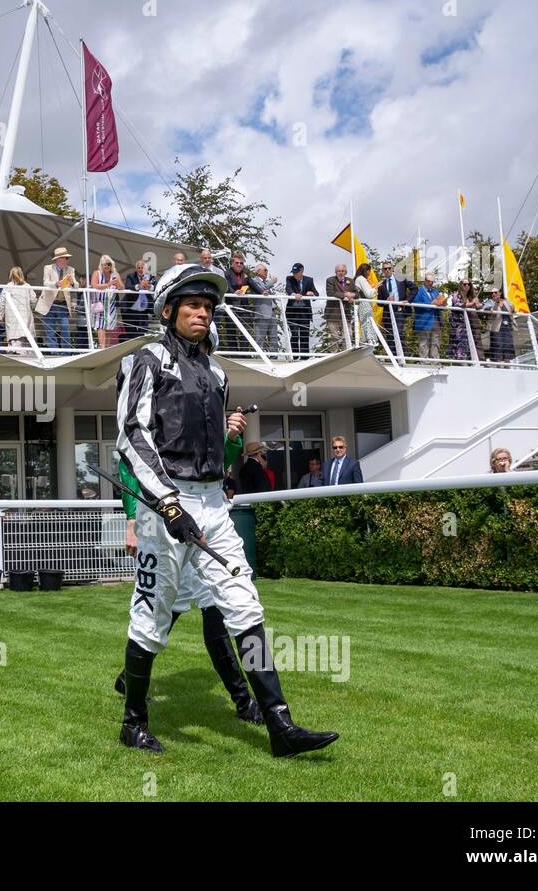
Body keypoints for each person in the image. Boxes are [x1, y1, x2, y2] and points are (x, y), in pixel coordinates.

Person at [115, 261, 336, 756]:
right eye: (193, 305)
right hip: (164, 504)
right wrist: (166, 502)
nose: (202, 313)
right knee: (152, 616)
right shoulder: (144, 360)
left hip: (214, 504)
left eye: (209, 307)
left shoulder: (216, 372)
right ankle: (133, 720)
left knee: (245, 606)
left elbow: (217, 450)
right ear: (169, 309)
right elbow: (132, 436)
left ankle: (280, 725)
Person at [113, 456, 262, 724]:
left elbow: (216, 463)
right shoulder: (157, 418)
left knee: (210, 606)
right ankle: (243, 701)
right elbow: (131, 462)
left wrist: (231, 439)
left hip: (203, 527)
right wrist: (133, 520)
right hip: (164, 527)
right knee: (162, 608)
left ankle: (244, 701)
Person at [39, 247, 79, 350]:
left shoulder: (71, 270)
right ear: (58, 259)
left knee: (65, 329)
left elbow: (77, 286)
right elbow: (45, 283)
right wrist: (56, 284)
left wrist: (72, 282)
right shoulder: (48, 268)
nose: (68, 260)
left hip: (62, 304)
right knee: (49, 330)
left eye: (67, 258)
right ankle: (54, 352)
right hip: (49, 304)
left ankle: (66, 353)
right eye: (66, 258)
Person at [0, 266, 38, 352]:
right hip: (26, 318)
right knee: (27, 344)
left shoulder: (7, 287)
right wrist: (31, 308)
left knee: (14, 342)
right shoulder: (27, 286)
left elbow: (2, 303)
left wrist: (0, 316)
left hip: (12, 320)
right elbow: (34, 300)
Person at [283, 263, 317, 358]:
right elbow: (288, 289)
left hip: (304, 313)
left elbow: (316, 295)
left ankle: (304, 357)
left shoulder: (309, 280)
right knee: (294, 334)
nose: (294, 274)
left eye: (296, 272)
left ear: (301, 272)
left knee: (304, 335)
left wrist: (312, 294)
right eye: (293, 272)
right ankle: (294, 356)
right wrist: (294, 294)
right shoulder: (289, 279)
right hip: (292, 312)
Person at [89, 255, 122, 349]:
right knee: (101, 326)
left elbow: (121, 287)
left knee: (109, 327)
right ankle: (102, 347)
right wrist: (108, 284)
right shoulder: (97, 273)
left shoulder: (115, 274)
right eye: (104, 264)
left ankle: (106, 348)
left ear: (112, 265)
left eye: (109, 264)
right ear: (101, 265)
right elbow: (94, 285)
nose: (107, 266)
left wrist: (117, 283)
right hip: (99, 303)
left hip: (110, 305)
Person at [121, 259, 155, 340]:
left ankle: (139, 350)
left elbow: (156, 287)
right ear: (136, 269)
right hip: (129, 309)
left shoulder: (150, 277)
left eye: (142, 268)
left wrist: (149, 286)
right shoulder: (130, 276)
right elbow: (128, 286)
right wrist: (139, 285)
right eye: (138, 268)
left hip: (143, 310)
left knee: (142, 333)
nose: (140, 269)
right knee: (131, 334)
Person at [249, 263, 279, 353]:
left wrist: (270, 285)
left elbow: (272, 294)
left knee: (274, 337)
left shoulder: (267, 282)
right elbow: (261, 290)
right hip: (261, 313)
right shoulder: (253, 281)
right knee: (260, 338)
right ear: (258, 272)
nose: (267, 272)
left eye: (267, 270)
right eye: (265, 270)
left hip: (272, 312)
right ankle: (259, 358)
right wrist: (271, 282)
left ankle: (274, 357)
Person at [323, 263, 352, 352]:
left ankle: (346, 354)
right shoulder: (330, 280)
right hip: (333, 313)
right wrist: (345, 295)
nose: (341, 273)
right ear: (336, 272)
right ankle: (334, 355)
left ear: (346, 272)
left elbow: (356, 293)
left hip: (346, 314)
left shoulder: (350, 281)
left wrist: (352, 295)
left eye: (343, 271)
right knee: (334, 337)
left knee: (348, 335)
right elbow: (330, 293)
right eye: (339, 271)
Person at [482, 287, 516, 363]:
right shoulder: (490, 302)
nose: (493, 294)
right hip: (496, 327)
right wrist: (494, 305)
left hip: (507, 327)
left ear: (500, 293)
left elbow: (513, 309)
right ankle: (497, 362)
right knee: (497, 344)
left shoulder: (506, 301)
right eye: (492, 293)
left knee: (508, 344)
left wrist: (513, 308)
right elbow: (485, 308)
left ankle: (507, 362)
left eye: (495, 292)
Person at [410, 274, 440, 360]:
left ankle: (435, 361)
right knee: (424, 343)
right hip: (423, 321)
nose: (430, 283)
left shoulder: (436, 292)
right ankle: (424, 361)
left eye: (432, 282)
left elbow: (439, 303)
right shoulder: (419, 291)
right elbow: (416, 304)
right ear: (425, 281)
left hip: (436, 319)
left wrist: (442, 304)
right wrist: (430, 304)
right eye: (428, 281)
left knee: (436, 342)